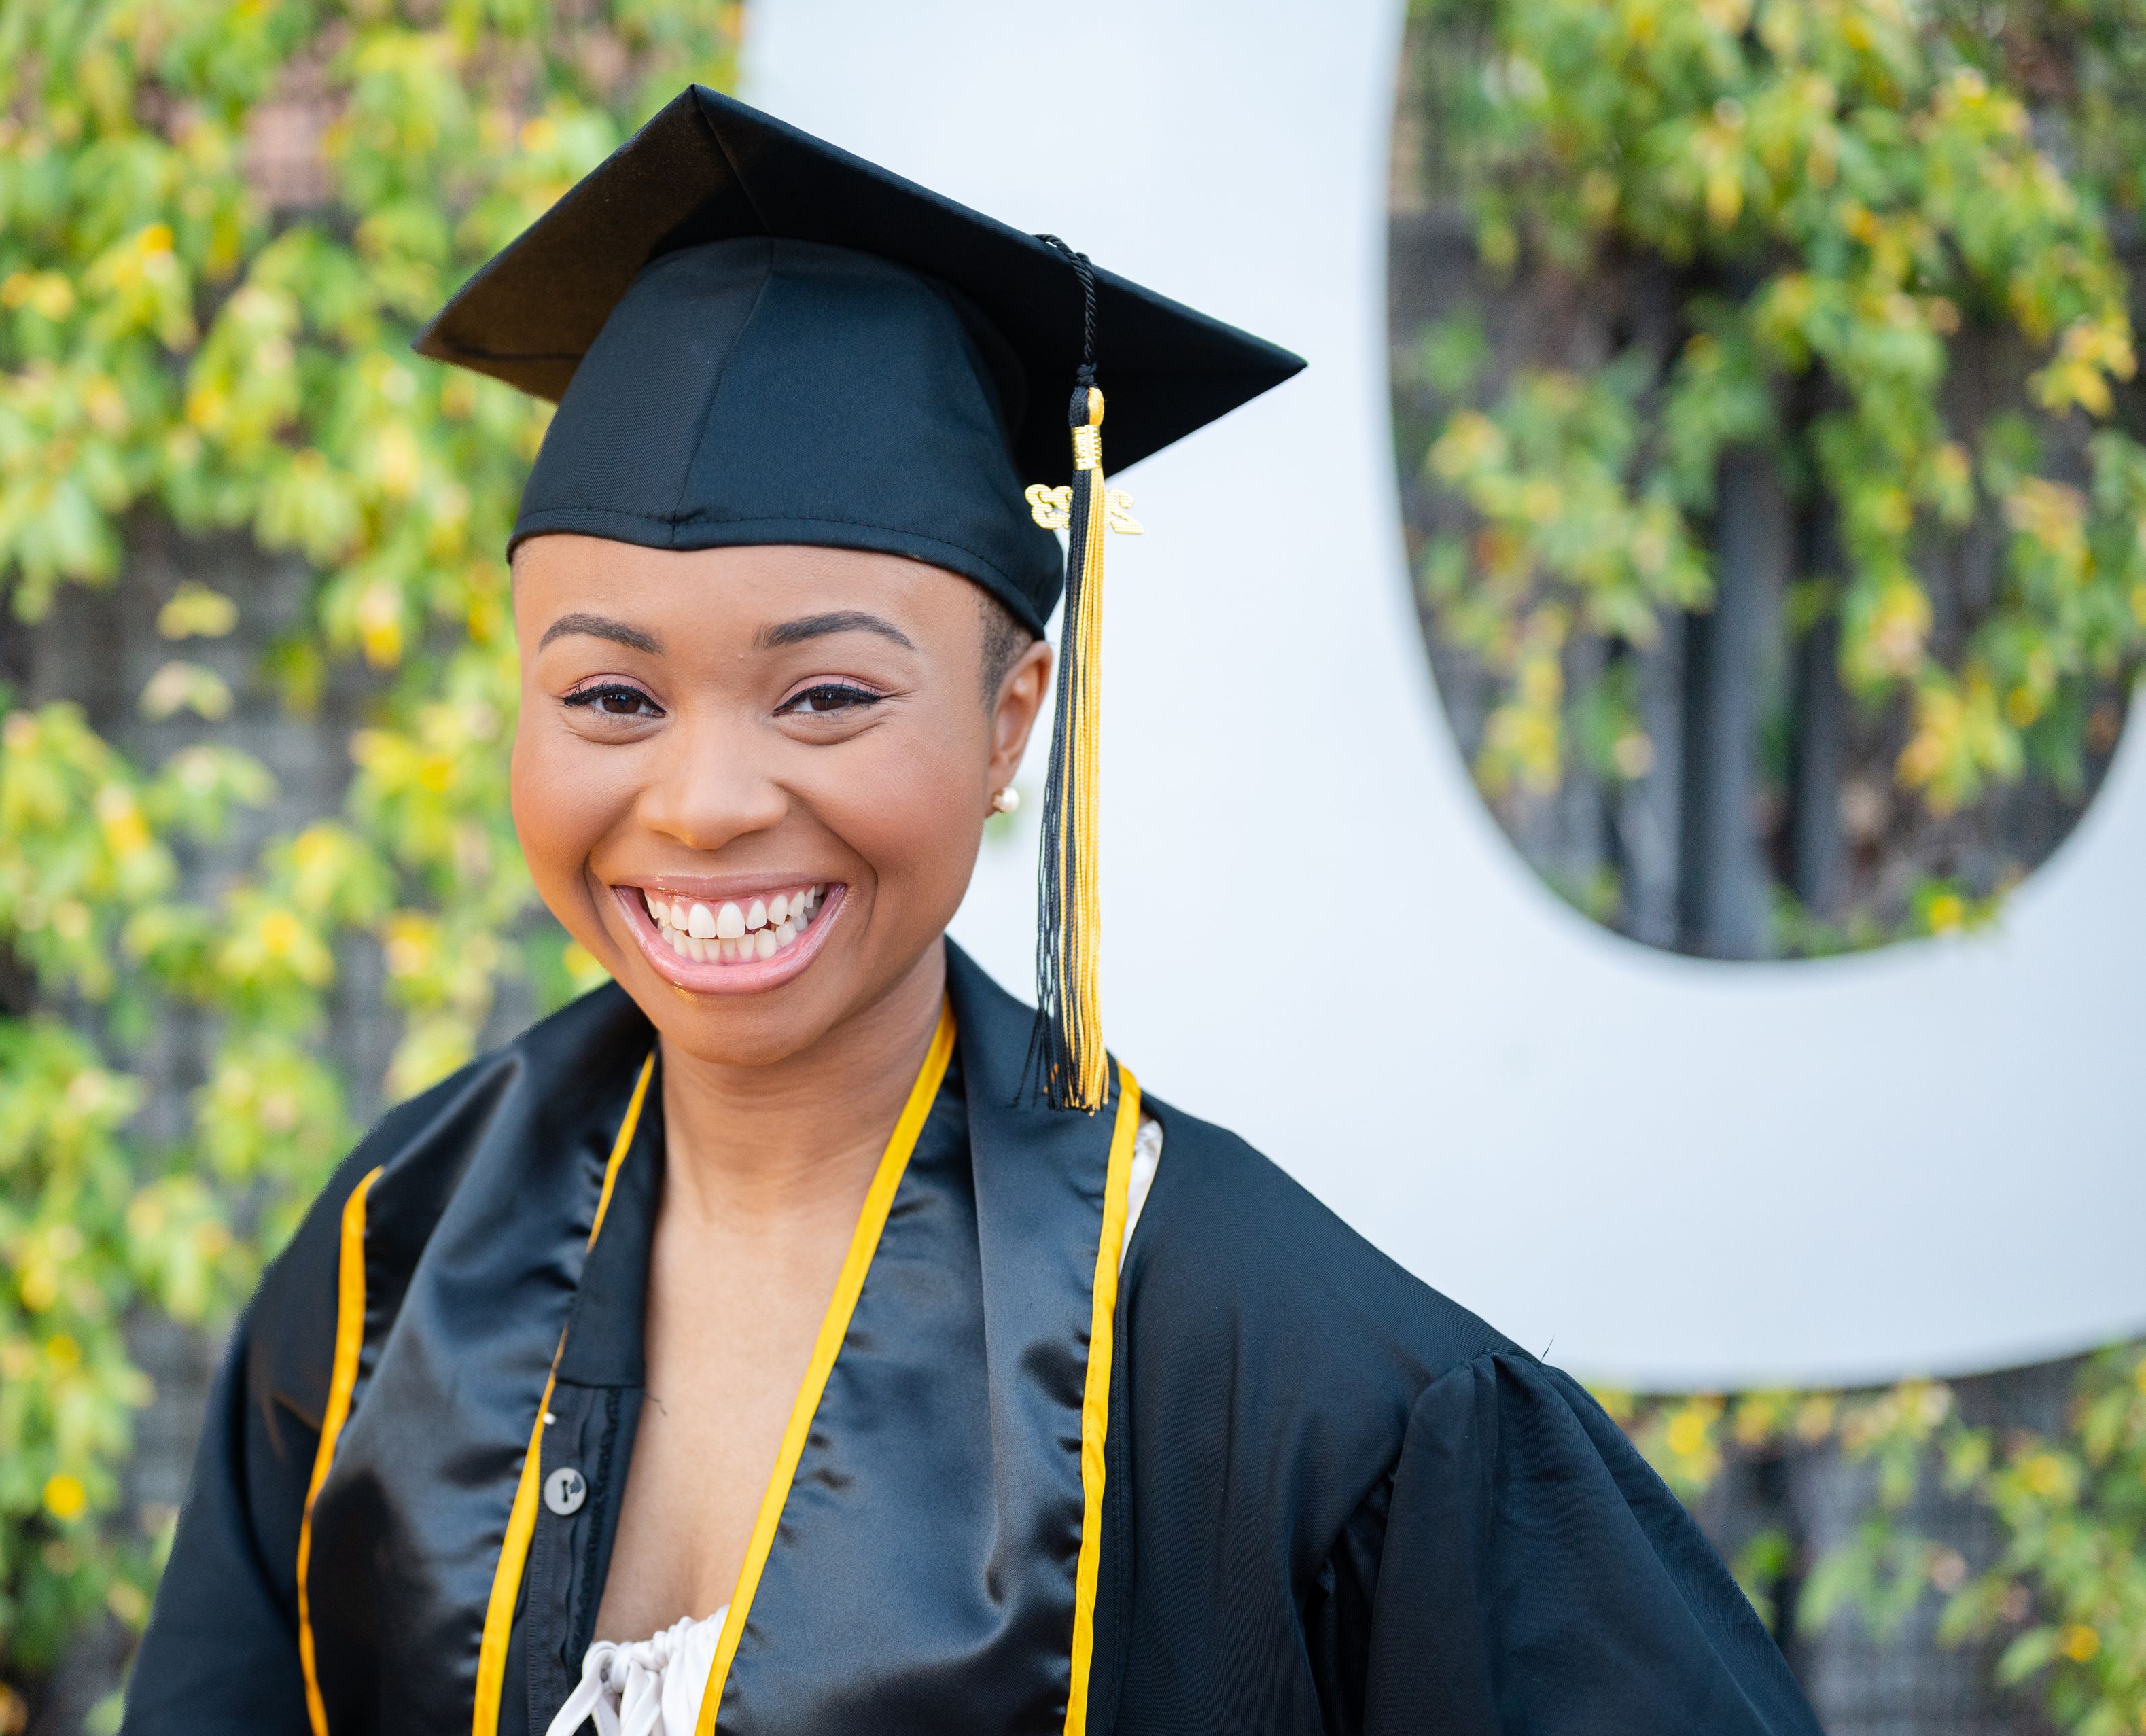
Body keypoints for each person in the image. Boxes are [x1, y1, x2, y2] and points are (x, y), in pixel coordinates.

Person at [121, 87, 1823, 1736]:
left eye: (827, 699)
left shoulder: (1265, 1367)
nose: (705, 802)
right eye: (612, 701)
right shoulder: (390, 1262)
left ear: (1013, 718)